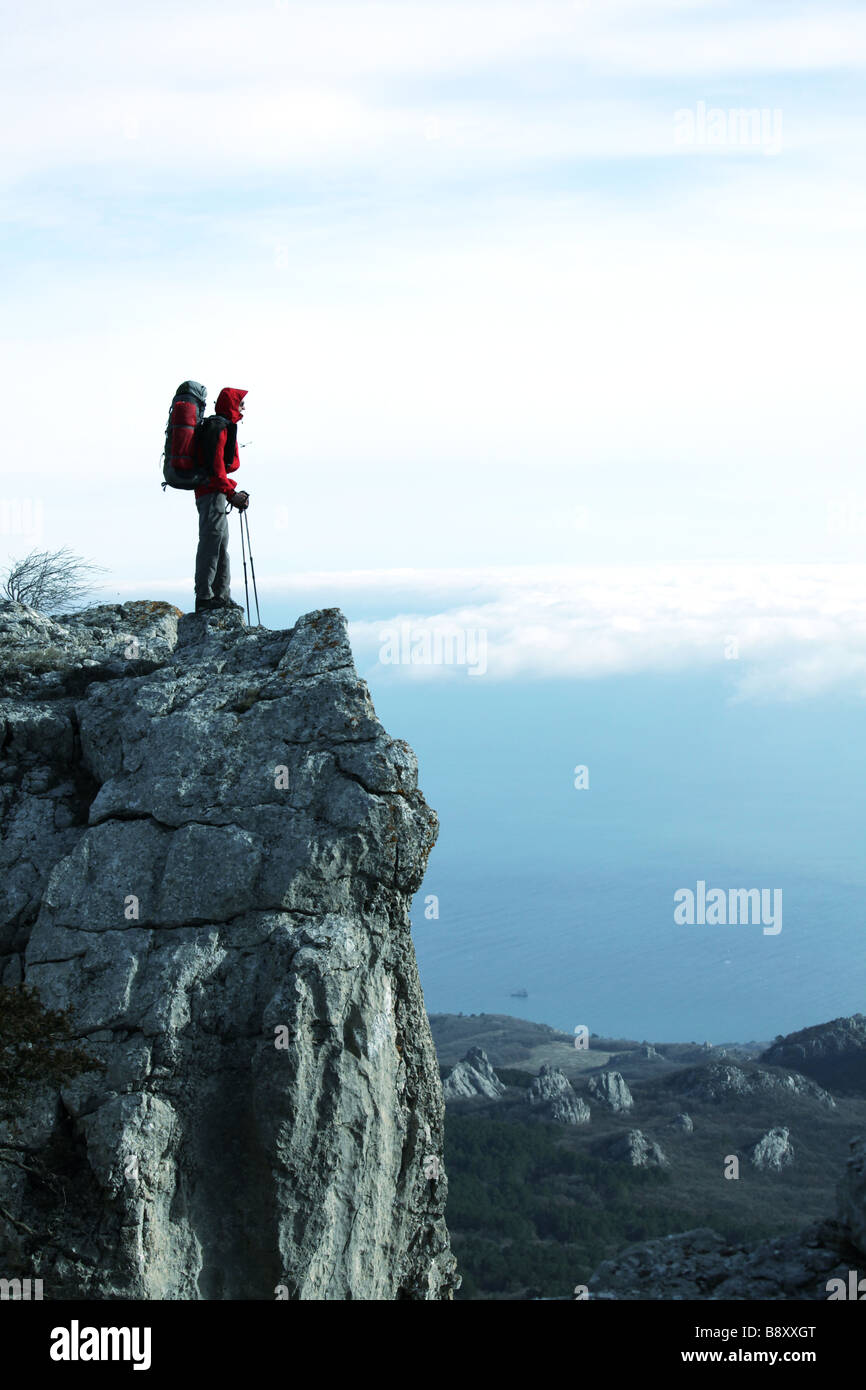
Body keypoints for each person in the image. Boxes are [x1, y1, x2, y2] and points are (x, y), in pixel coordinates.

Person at [193, 387, 250, 613]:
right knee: (211, 542)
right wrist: (231, 493)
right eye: (241, 403)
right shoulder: (218, 428)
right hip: (210, 493)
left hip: (214, 492)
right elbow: (216, 470)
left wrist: (230, 491)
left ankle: (220, 596)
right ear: (233, 404)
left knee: (220, 544)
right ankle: (205, 598)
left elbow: (220, 471)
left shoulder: (221, 426)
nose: (244, 408)